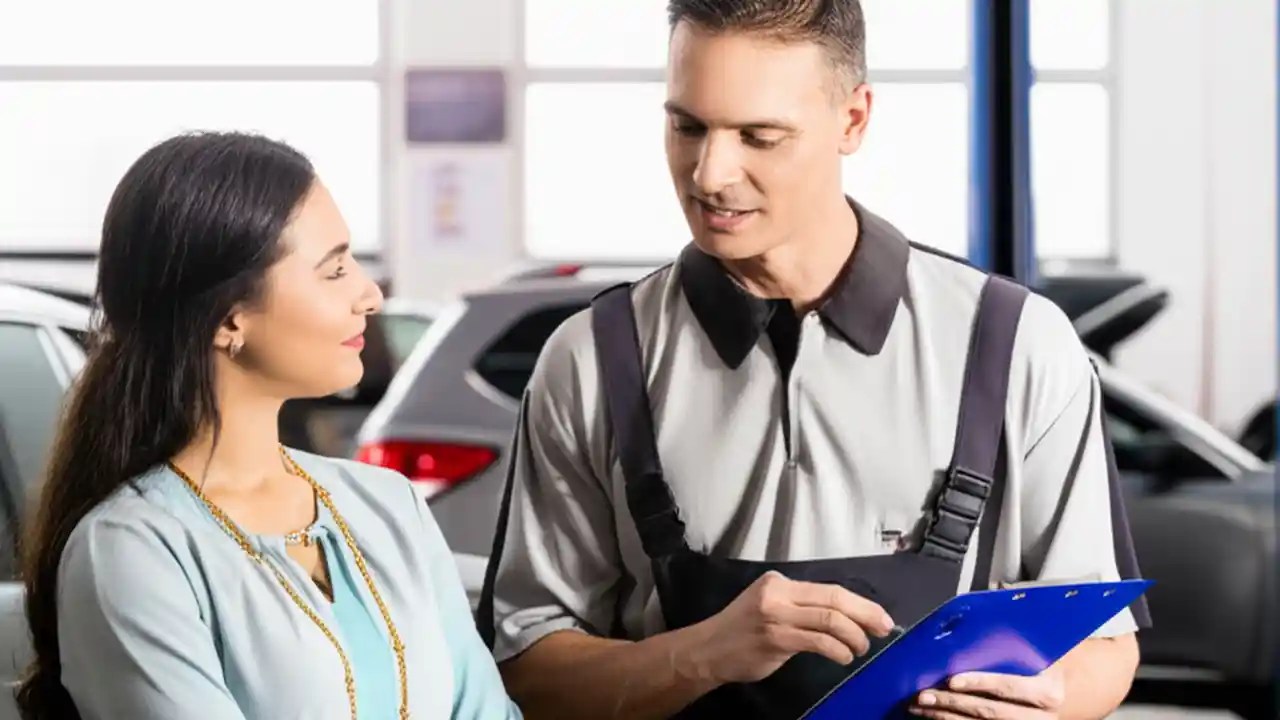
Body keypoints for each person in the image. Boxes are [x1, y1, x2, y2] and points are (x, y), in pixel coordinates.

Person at [479, 1, 1151, 718]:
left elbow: (1103, 644)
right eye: (688, 126)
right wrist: (701, 653)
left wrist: (1053, 704)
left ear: (853, 120)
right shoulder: (591, 359)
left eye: (759, 136)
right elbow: (527, 667)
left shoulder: (1016, 343)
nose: (710, 173)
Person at [16, 132, 522, 720]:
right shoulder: (134, 550)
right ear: (229, 318)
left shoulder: (389, 505)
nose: (369, 295)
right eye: (333, 271)